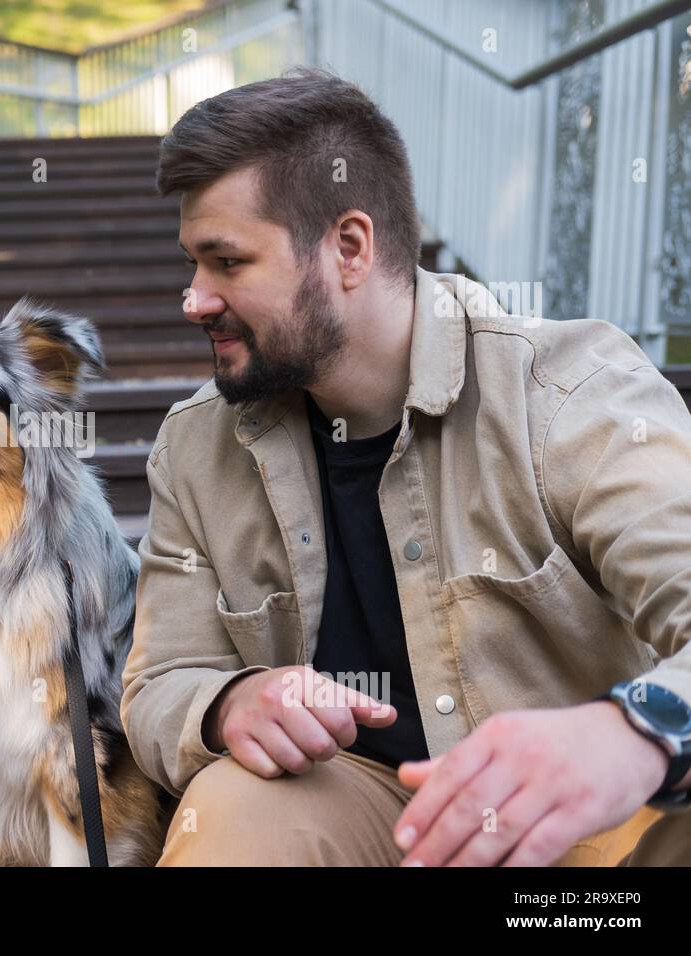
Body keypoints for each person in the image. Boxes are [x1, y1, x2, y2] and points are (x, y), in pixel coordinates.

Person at [121, 69, 691, 866]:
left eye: (226, 262)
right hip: (376, 827)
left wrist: (634, 729)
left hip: (591, 853)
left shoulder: (568, 393)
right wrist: (229, 704)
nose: (194, 299)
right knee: (234, 808)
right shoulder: (195, 448)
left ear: (349, 248)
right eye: (193, 264)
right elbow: (161, 678)